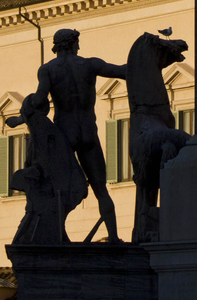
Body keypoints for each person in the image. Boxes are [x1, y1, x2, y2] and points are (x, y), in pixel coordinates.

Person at [34, 27, 127, 242]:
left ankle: (57, 235)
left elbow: (39, 100)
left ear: (57, 46)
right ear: (72, 43)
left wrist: (24, 116)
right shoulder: (90, 65)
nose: (79, 46)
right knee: (101, 190)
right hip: (88, 132)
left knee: (58, 190)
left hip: (65, 134)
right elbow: (123, 71)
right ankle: (113, 237)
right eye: (77, 42)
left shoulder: (48, 70)